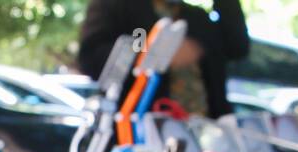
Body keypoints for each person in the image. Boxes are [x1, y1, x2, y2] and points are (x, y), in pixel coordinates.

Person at [77, 0, 249, 120]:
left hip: (204, 134)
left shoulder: (198, 19)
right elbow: (91, 58)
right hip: (139, 134)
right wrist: (155, 54)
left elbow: (237, 47)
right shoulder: (118, 7)